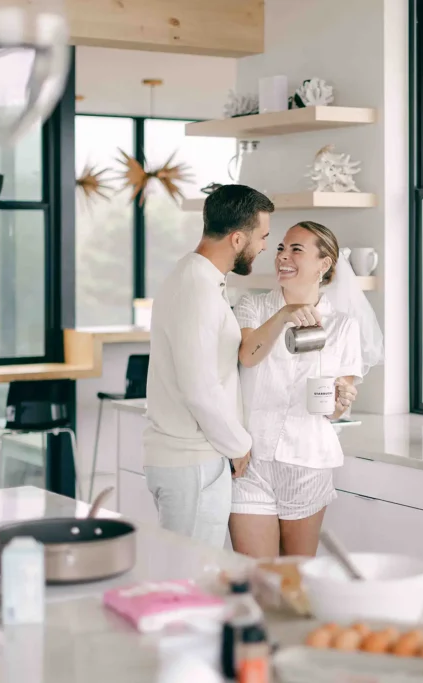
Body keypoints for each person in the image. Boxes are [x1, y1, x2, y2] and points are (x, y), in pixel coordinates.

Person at [229, 221, 384, 558]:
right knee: (258, 578)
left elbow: (333, 409)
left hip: (307, 462)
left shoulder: (343, 326)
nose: (283, 256)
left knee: (296, 576)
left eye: (296, 249)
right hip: (249, 461)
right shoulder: (252, 307)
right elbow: (247, 355)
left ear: (324, 264)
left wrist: (342, 398)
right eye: (282, 247)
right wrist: (285, 315)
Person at [143, 184, 274, 548]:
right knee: (190, 581)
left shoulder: (197, 279)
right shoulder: (196, 289)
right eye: (262, 237)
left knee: (188, 580)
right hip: (192, 463)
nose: (264, 246)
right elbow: (199, 388)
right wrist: (239, 445)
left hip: (190, 461)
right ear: (236, 239)